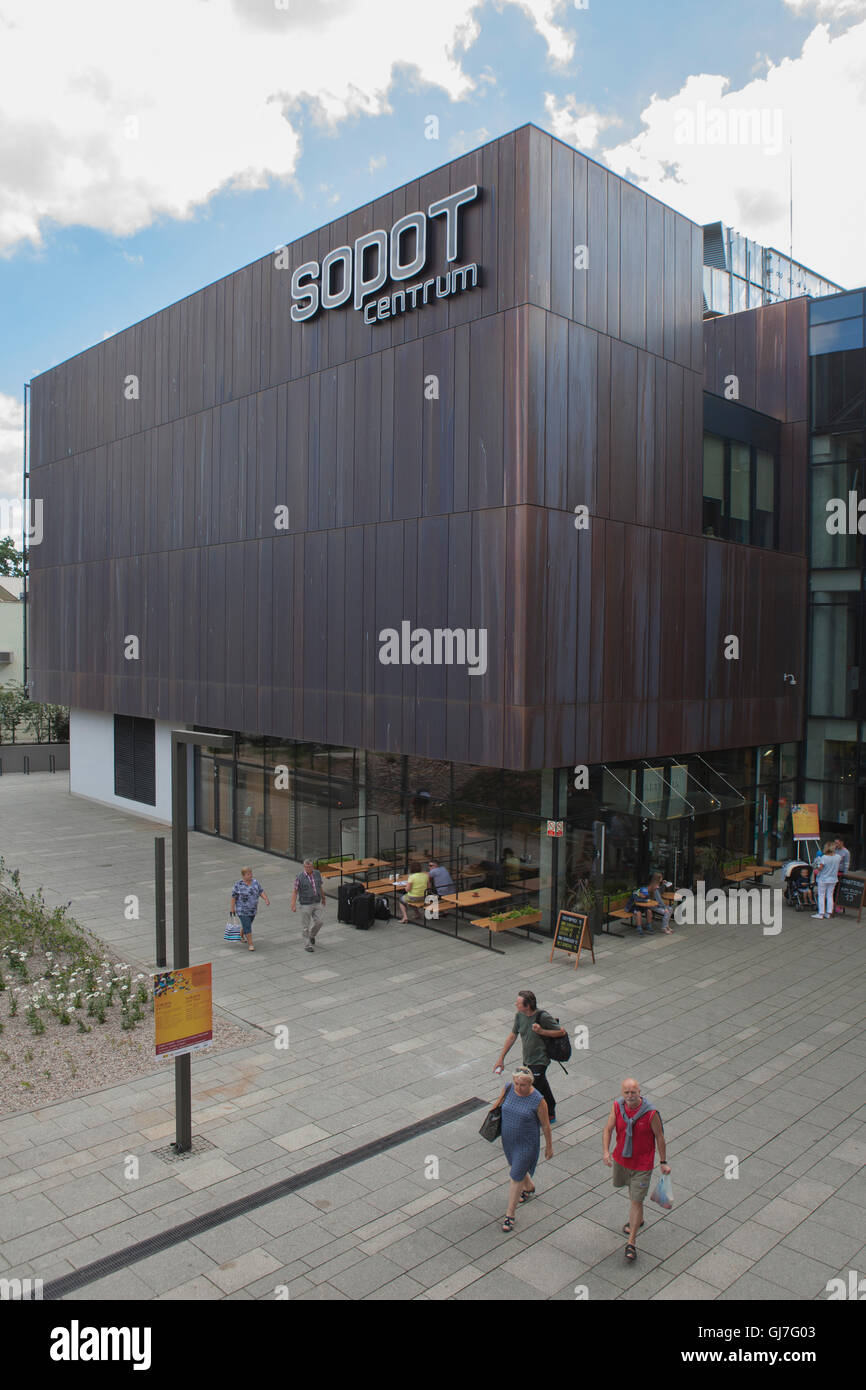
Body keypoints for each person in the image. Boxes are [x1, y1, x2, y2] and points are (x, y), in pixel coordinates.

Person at [602, 1077, 669, 1263]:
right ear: (622, 1094)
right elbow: (608, 1129)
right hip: (622, 1160)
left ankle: (631, 1243)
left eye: (633, 1092)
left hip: (642, 1165)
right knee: (633, 1196)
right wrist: (606, 1152)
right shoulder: (617, 1107)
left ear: (639, 1092)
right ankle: (638, 1219)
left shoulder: (651, 1114)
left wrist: (663, 1161)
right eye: (626, 1093)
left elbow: (660, 1137)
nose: (630, 1096)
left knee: (636, 1200)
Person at [492, 1066, 553, 1233]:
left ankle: (509, 1215)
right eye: (517, 1083)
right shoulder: (508, 1088)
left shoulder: (538, 1100)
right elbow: (498, 1106)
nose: (519, 1087)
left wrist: (549, 1146)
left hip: (527, 1143)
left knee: (515, 1175)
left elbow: (546, 1126)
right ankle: (529, 1187)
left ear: (530, 1083)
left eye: (523, 1084)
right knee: (515, 1168)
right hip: (509, 1140)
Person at [493, 989, 566, 1125]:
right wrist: (501, 1058)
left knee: (529, 1088)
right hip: (528, 1058)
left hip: (540, 1059)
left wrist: (541, 1031)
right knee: (541, 1084)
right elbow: (513, 1035)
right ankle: (550, 1111)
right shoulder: (519, 1016)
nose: (515, 1004)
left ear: (527, 1006)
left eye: (518, 1003)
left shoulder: (542, 1017)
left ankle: (530, 1118)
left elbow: (561, 1031)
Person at [291, 858, 327, 952]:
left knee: (320, 921)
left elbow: (320, 886)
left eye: (310, 867)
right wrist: (293, 904)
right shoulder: (299, 877)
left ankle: (312, 935)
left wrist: (323, 897)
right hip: (305, 904)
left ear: (313, 867)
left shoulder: (317, 873)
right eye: (306, 867)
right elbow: (295, 891)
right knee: (305, 926)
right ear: (304, 867)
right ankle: (307, 945)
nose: (308, 868)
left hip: (316, 901)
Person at [230, 867, 270, 951]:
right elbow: (234, 897)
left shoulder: (255, 882)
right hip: (242, 910)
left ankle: (241, 934)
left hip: (252, 910)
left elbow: (261, 891)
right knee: (247, 925)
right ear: (243, 876)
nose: (250, 875)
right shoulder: (238, 884)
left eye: (251, 873)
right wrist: (232, 908)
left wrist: (266, 899)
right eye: (248, 874)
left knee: (247, 924)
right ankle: (251, 944)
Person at [811, 841, 841, 919]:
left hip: (823, 879)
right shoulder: (838, 857)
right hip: (833, 879)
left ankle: (821, 913)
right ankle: (829, 913)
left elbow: (820, 868)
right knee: (830, 895)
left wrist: (816, 865)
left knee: (821, 895)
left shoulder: (824, 857)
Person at [398, 858, 428, 922]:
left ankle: (405, 917)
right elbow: (429, 887)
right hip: (424, 897)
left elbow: (407, 890)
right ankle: (417, 914)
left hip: (413, 897)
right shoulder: (426, 875)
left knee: (401, 900)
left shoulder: (412, 877)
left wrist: (406, 886)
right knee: (411, 901)